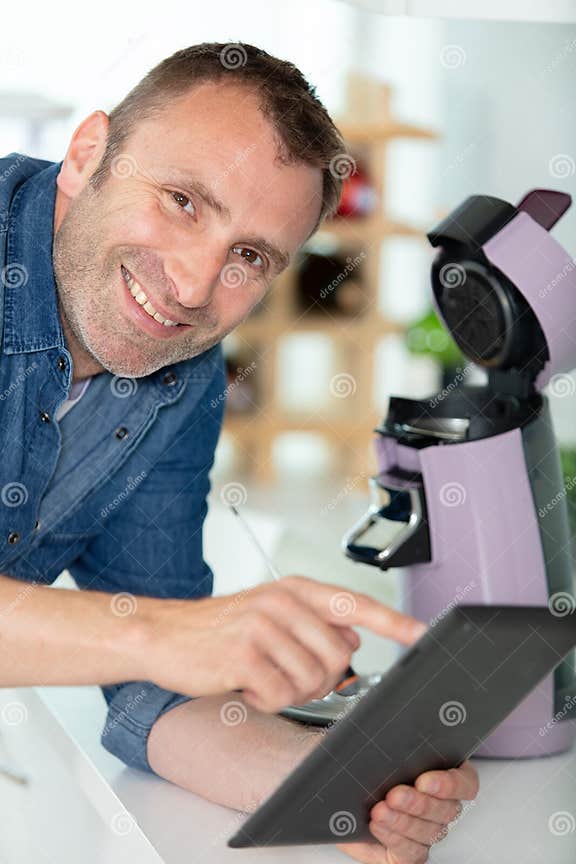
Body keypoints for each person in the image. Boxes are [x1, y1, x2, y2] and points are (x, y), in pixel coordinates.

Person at [0, 41, 478, 863]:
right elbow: (159, 639)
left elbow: (160, 686)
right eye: (183, 201)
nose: (192, 287)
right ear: (87, 153)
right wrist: (164, 634)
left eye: (249, 256)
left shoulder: (179, 367)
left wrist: (339, 786)